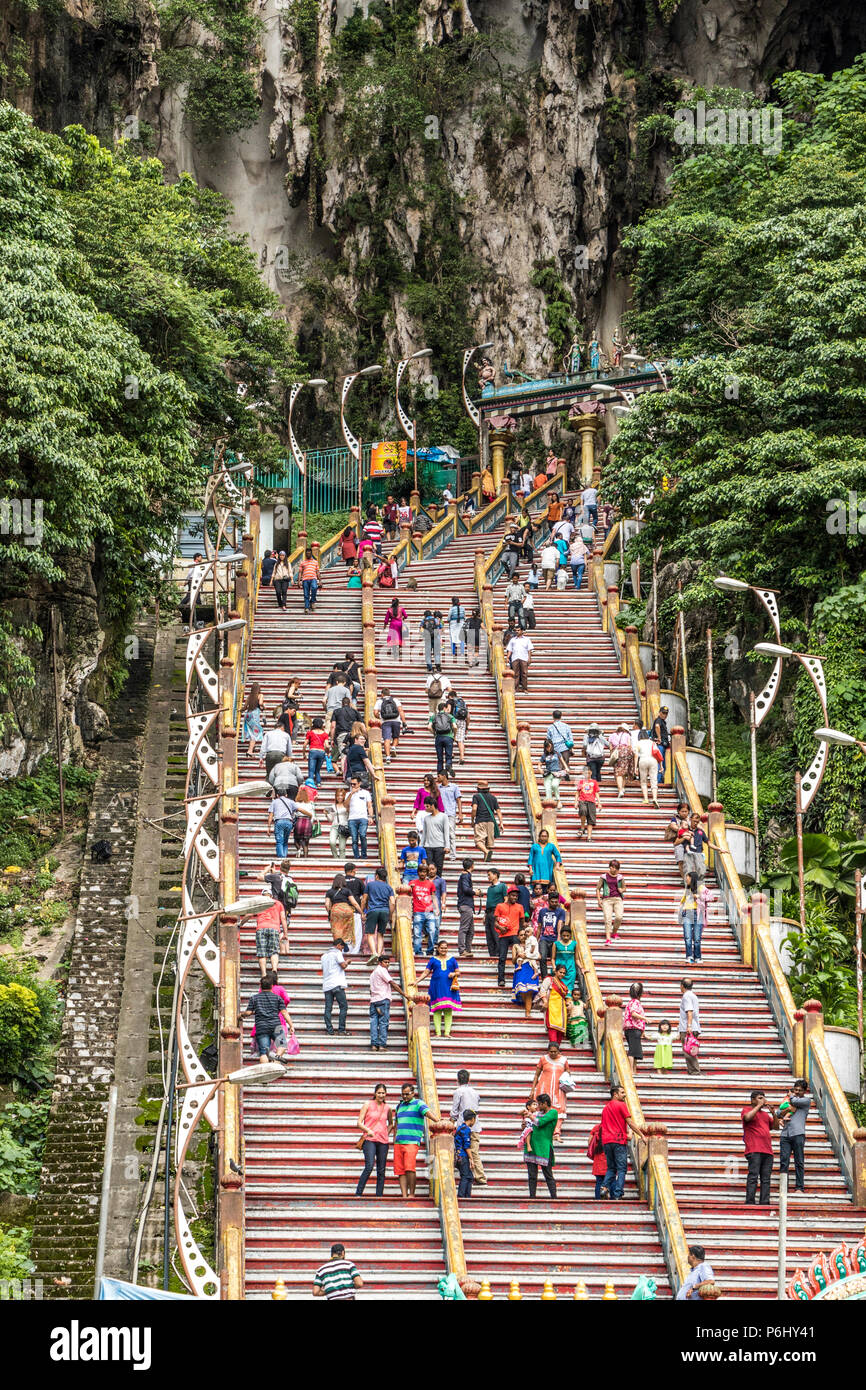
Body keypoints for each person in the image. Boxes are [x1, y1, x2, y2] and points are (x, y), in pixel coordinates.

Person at [599, 1083, 646, 1199]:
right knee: (621, 1169)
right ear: (615, 1094)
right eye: (622, 1092)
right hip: (618, 1140)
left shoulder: (605, 1108)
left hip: (606, 1141)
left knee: (611, 1168)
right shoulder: (621, 1105)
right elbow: (630, 1122)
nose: (624, 1095)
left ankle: (604, 1187)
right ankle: (618, 1193)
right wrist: (641, 1135)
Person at [393, 1082, 438, 1199]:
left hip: (412, 1141)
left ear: (413, 1093)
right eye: (403, 1094)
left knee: (409, 1168)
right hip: (399, 1142)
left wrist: (438, 1121)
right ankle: (404, 1195)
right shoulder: (399, 1106)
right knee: (400, 1170)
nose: (404, 1097)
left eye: (407, 1094)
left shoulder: (418, 1103)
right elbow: (396, 1123)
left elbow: (428, 1113)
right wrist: (394, 1138)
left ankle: (411, 1194)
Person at [355, 1083, 394, 1196]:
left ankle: (379, 1195)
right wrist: (368, 1131)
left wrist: (386, 1132)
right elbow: (359, 1123)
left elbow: (391, 1124)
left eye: (383, 1093)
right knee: (369, 1166)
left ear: (386, 1094)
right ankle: (358, 1193)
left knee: (381, 1170)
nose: (381, 1095)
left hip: (383, 1142)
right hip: (369, 1140)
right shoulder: (368, 1104)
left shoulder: (388, 1108)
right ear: (375, 1093)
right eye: (379, 1093)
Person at [741, 1090, 779, 1204]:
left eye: (763, 1098)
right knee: (753, 1176)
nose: (762, 1100)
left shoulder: (765, 1115)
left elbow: (776, 1127)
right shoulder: (746, 1110)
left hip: (767, 1150)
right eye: (759, 1098)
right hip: (754, 1149)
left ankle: (764, 1202)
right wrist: (758, 1106)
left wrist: (773, 1113)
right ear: (752, 1100)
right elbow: (747, 1118)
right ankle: (750, 1202)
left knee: (766, 1179)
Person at [530, 1041, 569, 1141]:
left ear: (558, 1051)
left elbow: (568, 1073)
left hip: (558, 1090)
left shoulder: (564, 1060)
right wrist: (532, 1089)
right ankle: (541, 1130)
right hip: (544, 1088)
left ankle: (556, 1133)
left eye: (555, 1052)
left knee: (558, 1110)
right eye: (551, 1051)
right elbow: (536, 1075)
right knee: (541, 1108)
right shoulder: (543, 1059)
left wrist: (566, 1079)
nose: (553, 1053)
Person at [245, 975, 288, 1064]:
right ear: (272, 986)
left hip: (261, 1027)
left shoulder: (254, 998)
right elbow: (284, 1012)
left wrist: (241, 1015)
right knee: (282, 1045)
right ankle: (276, 1060)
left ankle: (265, 1071)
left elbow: (248, 1013)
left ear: (260, 986)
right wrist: (291, 1025)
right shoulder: (277, 998)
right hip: (275, 1025)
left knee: (263, 1052)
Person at [778, 1079, 811, 1193]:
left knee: (799, 1161)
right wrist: (787, 1109)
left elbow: (794, 1101)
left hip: (798, 1134)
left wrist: (791, 1096)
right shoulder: (789, 1100)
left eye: (800, 1090)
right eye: (795, 1090)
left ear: (804, 1091)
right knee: (784, 1161)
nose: (797, 1092)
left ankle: (799, 1187)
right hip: (785, 1134)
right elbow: (778, 1113)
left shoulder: (806, 1101)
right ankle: (783, 1187)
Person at [523, 1093, 558, 1199]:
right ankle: (532, 1197)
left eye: (540, 1104)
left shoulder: (553, 1112)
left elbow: (540, 1122)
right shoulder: (537, 1113)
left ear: (545, 1103)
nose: (538, 1106)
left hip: (544, 1147)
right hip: (532, 1146)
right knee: (532, 1175)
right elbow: (530, 1123)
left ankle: (554, 1198)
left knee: (548, 1175)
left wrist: (530, 1116)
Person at [426, 940, 461, 1036]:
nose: (443, 950)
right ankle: (437, 1033)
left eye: (445, 948)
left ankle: (447, 1033)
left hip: (449, 987)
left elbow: (458, 972)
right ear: (438, 948)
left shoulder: (452, 959)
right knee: (437, 1010)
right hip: (436, 986)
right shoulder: (433, 959)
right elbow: (426, 972)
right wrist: (416, 981)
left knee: (448, 1010)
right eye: (441, 948)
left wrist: (454, 973)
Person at [326, 865, 364, 949]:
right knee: (348, 929)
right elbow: (354, 903)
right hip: (348, 910)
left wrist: (329, 911)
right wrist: (362, 912)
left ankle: (339, 945)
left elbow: (327, 904)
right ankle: (347, 943)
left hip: (336, 910)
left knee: (337, 929)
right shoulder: (347, 890)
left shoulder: (330, 891)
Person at [493, 885, 524, 987]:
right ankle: (501, 979)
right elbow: (495, 922)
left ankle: (519, 979)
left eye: (516, 896)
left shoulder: (520, 907)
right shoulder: (500, 906)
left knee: (518, 956)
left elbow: (522, 921)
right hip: (503, 935)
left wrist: (520, 934)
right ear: (508, 895)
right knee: (502, 957)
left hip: (515, 934)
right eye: (513, 896)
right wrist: (500, 928)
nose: (515, 898)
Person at [362, 866, 394, 958]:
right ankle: (380, 954)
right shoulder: (389, 887)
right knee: (381, 934)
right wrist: (390, 915)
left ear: (376, 876)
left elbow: (364, 899)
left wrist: (362, 912)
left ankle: (374, 953)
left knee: (370, 933)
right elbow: (392, 902)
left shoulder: (370, 885)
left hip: (373, 910)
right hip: (385, 911)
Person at [535, 889, 566, 979]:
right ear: (548, 901)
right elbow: (539, 926)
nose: (554, 903)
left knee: (556, 959)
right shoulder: (542, 911)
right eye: (552, 902)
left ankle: (555, 976)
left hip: (555, 938)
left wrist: (558, 939)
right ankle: (545, 977)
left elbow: (560, 924)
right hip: (544, 938)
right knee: (542, 958)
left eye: (556, 902)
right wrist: (536, 940)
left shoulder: (561, 911)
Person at [254, 896, 287, 979]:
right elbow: (283, 918)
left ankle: (264, 974)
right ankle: (274, 970)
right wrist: (285, 934)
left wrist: (241, 923)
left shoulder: (259, 903)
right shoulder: (278, 903)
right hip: (274, 928)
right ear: (271, 896)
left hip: (261, 928)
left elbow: (249, 914)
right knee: (274, 952)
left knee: (262, 953)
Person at [321, 940, 350, 1034]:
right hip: (337, 983)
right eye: (342, 947)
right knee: (343, 1006)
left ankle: (330, 1030)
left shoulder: (324, 956)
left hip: (327, 985)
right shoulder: (337, 953)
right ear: (338, 945)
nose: (342, 949)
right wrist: (347, 962)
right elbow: (343, 965)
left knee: (328, 1008)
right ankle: (341, 1030)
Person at [511, 926, 540, 1017]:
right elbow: (513, 961)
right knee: (523, 990)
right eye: (521, 935)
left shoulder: (532, 944)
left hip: (530, 968)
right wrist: (518, 956)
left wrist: (527, 956)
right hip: (521, 968)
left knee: (530, 991)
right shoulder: (516, 946)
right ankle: (526, 1008)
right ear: (518, 937)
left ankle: (528, 1012)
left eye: (525, 934)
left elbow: (539, 957)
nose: (523, 936)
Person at [410, 862, 439, 955]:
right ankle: (418, 951)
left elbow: (433, 897)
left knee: (432, 931)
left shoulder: (430, 884)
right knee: (417, 933)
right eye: (420, 872)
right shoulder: (412, 883)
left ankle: (430, 950)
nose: (422, 874)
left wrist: (437, 908)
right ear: (418, 872)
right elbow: (408, 895)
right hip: (418, 911)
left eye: (424, 872)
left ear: (427, 873)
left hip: (429, 911)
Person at [596, 859, 626, 944]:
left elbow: (625, 888)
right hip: (607, 899)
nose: (615, 870)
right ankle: (608, 938)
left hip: (618, 899)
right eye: (614, 867)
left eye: (617, 868)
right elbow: (598, 889)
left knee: (619, 917)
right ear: (610, 867)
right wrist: (599, 900)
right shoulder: (604, 877)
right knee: (607, 918)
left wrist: (622, 890)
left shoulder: (620, 877)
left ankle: (614, 932)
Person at [471, 780, 503, 860]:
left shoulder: (476, 796)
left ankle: (486, 852)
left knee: (478, 842)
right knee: (489, 845)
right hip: (491, 822)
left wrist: (472, 819)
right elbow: (498, 811)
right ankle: (486, 860)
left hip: (480, 821)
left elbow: (474, 809)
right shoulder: (493, 797)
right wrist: (501, 823)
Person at [345, 776, 373, 861]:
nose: (352, 786)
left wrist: (370, 817)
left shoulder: (365, 793)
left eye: (354, 784)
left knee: (363, 835)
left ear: (359, 783)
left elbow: (369, 806)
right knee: (354, 838)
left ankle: (364, 855)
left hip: (363, 817)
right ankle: (356, 856)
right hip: (352, 818)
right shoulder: (348, 794)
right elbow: (345, 805)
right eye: (351, 784)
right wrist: (351, 794)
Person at [419, 794, 449, 873]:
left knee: (438, 867)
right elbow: (424, 833)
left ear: (432, 805)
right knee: (429, 867)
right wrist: (420, 846)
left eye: (427, 806)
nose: (425, 808)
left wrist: (447, 846)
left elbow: (446, 832)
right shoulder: (426, 818)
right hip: (428, 846)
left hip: (440, 846)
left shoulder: (443, 816)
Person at [437, 771, 463, 860]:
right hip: (439, 814)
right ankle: (441, 854)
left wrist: (460, 813)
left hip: (450, 813)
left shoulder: (454, 787)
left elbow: (458, 800)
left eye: (439, 776)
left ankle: (452, 855)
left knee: (451, 834)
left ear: (444, 776)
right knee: (440, 834)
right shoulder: (438, 788)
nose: (438, 778)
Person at [375, 687, 405, 763]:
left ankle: (388, 757)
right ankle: (394, 747)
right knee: (396, 736)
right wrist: (404, 722)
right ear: (389, 694)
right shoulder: (395, 700)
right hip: (396, 720)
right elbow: (400, 711)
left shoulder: (379, 701)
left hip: (385, 721)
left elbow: (375, 712)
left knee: (386, 739)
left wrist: (380, 717)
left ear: (382, 694)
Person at [679, 977, 702, 1075]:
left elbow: (689, 1011)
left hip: (688, 1028)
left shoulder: (686, 996)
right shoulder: (693, 995)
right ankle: (692, 1071)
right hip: (694, 1026)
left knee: (689, 1051)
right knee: (690, 1050)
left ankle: (695, 1072)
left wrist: (688, 1026)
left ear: (682, 986)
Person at [574, 764, 602, 841]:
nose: (587, 774)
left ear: (591, 773)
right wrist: (576, 802)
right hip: (582, 800)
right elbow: (577, 792)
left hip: (591, 801)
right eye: (586, 773)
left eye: (589, 773)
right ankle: (582, 828)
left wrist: (599, 802)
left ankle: (589, 837)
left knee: (591, 819)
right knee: (583, 811)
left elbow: (596, 792)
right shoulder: (581, 782)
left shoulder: (594, 782)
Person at [544, 962, 569, 1045]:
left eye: (564, 973)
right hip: (551, 1008)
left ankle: (557, 1049)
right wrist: (545, 1002)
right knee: (552, 1027)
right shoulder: (549, 980)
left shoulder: (563, 985)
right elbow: (542, 991)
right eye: (560, 972)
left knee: (560, 1030)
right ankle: (553, 1047)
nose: (562, 974)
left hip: (561, 1010)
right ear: (556, 971)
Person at [623, 982, 646, 1073]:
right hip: (634, 1029)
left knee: (635, 1050)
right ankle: (631, 1071)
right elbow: (633, 1013)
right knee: (633, 1051)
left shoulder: (630, 1002)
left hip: (630, 1029)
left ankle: (634, 1070)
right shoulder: (635, 1002)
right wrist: (645, 1018)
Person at [267, 791, 297, 859]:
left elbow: (271, 814)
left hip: (279, 822)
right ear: (286, 795)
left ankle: (281, 858)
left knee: (279, 841)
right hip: (289, 822)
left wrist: (269, 827)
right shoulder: (291, 801)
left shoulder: (274, 802)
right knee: (285, 841)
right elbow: (298, 809)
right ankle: (284, 857)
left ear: (277, 795)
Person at [609, 722, 635, 797]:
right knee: (624, 772)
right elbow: (629, 746)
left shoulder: (612, 735)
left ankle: (620, 790)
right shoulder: (627, 735)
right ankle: (623, 788)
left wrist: (612, 756)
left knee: (618, 772)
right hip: (626, 753)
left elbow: (610, 748)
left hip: (617, 753)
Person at [546, 710, 575, 780]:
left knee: (558, 763)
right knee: (565, 762)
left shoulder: (550, 727)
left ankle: (559, 778)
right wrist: (571, 748)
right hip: (565, 747)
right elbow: (570, 738)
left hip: (555, 748)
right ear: (561, 716)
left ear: (553, 716)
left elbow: (548, 739)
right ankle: (565, 775)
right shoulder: (566, 726)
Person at [430, 702, 456, 776]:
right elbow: (455, 727)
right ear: (444, 708)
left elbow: (429, 727)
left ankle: (440, 774)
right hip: (448, 737)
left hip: (439, 737)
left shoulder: (433, 717)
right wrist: (454, 735)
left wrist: (434, 733)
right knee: (448, 755)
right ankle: (448, 765)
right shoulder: (450, 716)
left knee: (440, 758)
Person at [456, 858, 476, 955]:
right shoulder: (465, 876)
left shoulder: (465, 875)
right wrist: (475, 892)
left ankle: (468, 949)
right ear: (472, 866)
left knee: (471, 930)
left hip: (467, 905)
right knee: (464, 928)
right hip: (465, 904)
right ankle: (462, 949)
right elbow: (465, 889)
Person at [551, 922, 577, 994]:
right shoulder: (556, 944)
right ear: (561, 935)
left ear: (570, 935)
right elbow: (553, 958)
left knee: (569, 991)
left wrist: (582, 968)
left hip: (570, 969)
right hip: (559, 969)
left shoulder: (574, 944)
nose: (565, 937)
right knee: (558, 990)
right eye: (564, 935)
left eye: (567, 936)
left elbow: (576, 959)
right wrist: (554, 967)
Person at [454, 1111, 476, 1198]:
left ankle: (467, 1196)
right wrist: (471, 1159)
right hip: (463, 1156)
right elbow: (467, 1146)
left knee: (469, 1176)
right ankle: (462, 1196)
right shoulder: (466, 1129)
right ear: (472, 1119)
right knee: (466, 1176)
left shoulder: (460, 1128)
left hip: (459, 1156)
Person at [684, 813, 710, 881]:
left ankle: (698, 884)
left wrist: (719, 848)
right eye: (694, 821)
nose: (695, 823)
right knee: (688, 872)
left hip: (698, 853)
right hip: (688, 853)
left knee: (702, 871)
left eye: (697, 822)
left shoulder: (700, 831)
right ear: (690, 819)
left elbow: (708, 842)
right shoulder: (685, 829)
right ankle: (689, 888)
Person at [447, 690, 469, 765]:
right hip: (462, 721)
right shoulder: (462, 702)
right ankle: (462, 757)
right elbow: (468, 716)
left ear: (450, 696)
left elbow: (448, 711)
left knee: (450, 737)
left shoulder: (450, 701)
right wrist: (467, 726)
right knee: (460, 740)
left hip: (453, 721)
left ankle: (451, 753)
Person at [305, 717, 329, 786]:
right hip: (321, 752)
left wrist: (303, 753)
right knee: (317, 770)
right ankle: (318, 783)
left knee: (311, 770)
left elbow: (305, 744)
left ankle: (310, 783)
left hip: (313, 751)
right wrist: (328, 753)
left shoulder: (310, 733)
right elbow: (327, 746)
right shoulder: (325, 734)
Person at [538, 738, 562, 805]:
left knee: (554, 785)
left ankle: (558, 800)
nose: (549, 749)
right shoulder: (544, 755)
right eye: (547, 747)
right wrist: (540, 769)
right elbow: (539, 764)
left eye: (550, 747)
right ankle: (549, 802)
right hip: (548, 774)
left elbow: (562, 761)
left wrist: (566, 768)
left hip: (556, 773)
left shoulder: (557, 753)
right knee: (547, 788)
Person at [242, 683, 264, 757]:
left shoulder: (249, 696)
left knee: (251, 732)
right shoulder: (260, 695)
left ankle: (252, 747)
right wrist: (264, 706)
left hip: (248, 714)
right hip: (254, 715)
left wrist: (240, 710)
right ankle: (250, 751)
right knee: (255, 733)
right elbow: (260, 703)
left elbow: (245, 707)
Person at [651, 705, 671, 783]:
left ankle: (660, 779)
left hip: (663, 745)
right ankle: (658, 781)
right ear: (659, 713)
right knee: (660, 763)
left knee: (663, 764)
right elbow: (657, 726)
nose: (665, 715)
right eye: (663, 713)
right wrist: (659, 738)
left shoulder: (663, 721)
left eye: (666, 713)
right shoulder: (658, 720)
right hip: (660, 746)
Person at [299, 546, 319, 611]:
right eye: (307, 553)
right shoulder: (303, 562)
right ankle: (307, 607)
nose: (308, 554)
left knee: (314, 588)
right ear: (305, 554)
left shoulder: (315, 562)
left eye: (309, 553)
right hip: (305, 579)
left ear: (311, 553)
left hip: (313, 578)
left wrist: (320, 580)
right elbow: (300, 572)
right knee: (306, 593)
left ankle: (312, 601)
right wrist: (299, 581)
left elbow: (317, 572)